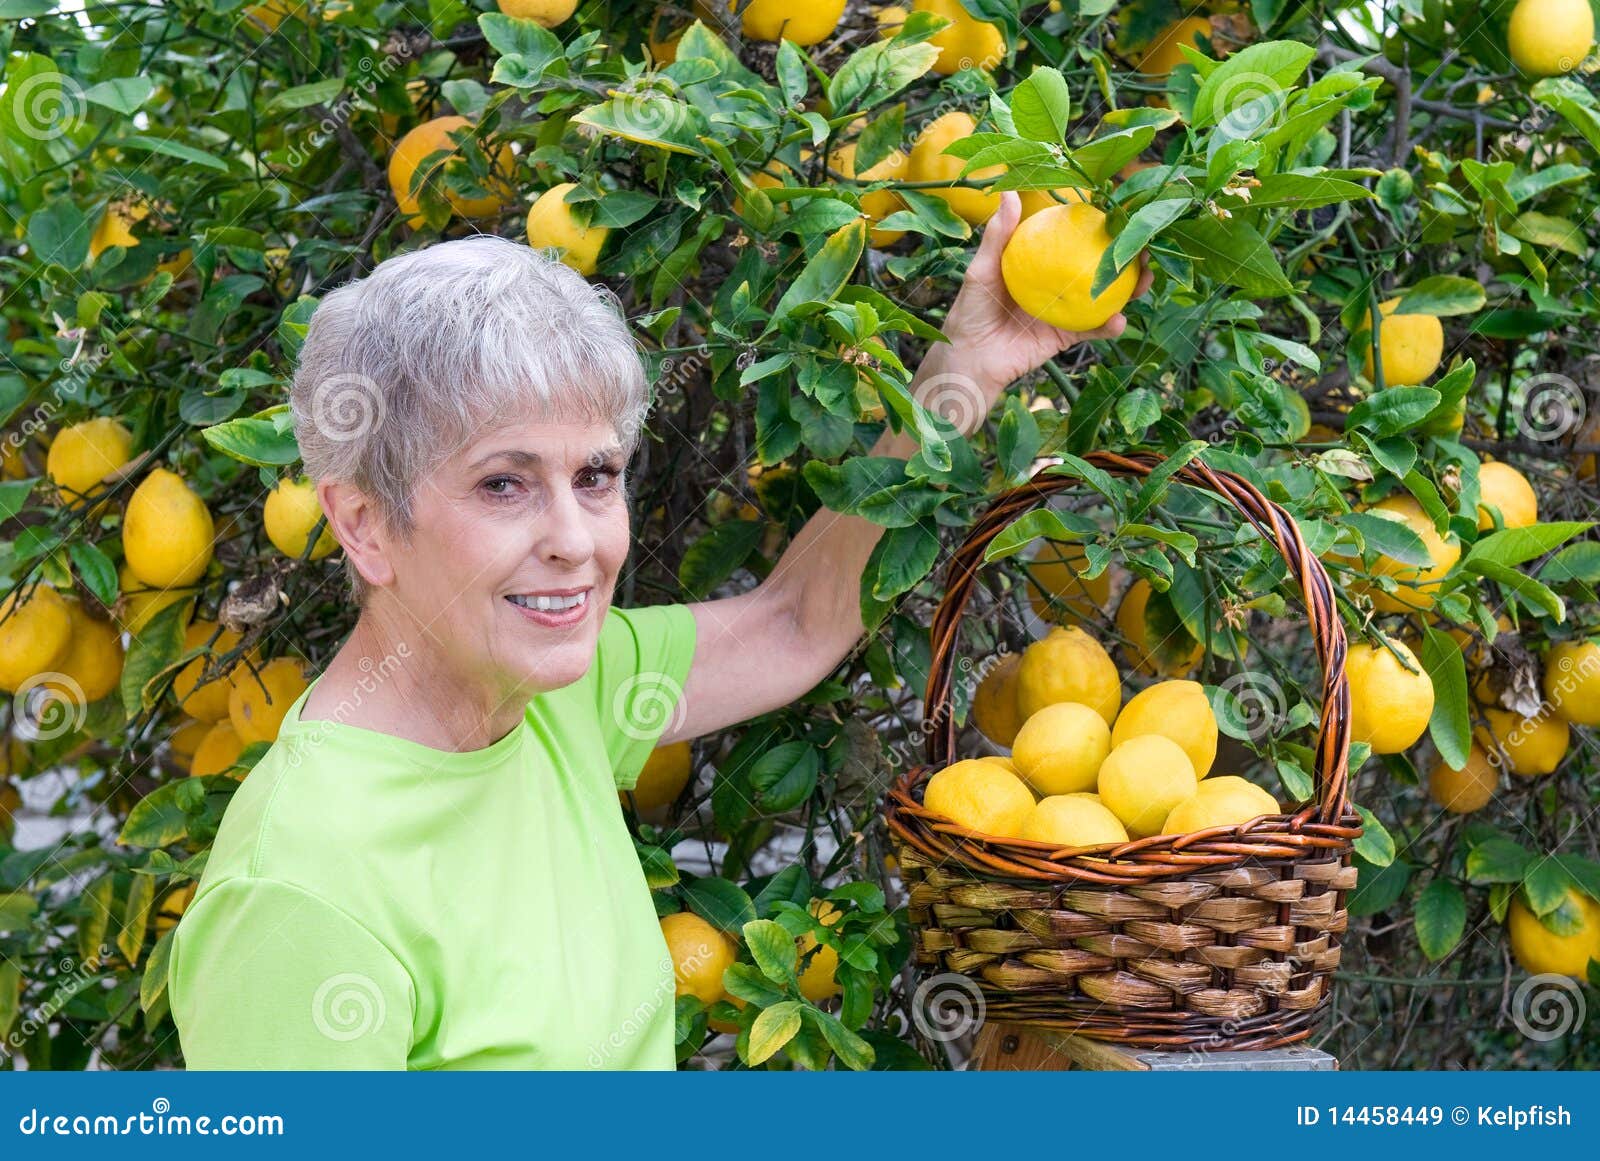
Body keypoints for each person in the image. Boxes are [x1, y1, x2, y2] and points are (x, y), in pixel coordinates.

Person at [167, 193, 1151, 1069]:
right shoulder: (300, 896)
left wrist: (964, 369)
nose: (574, 542)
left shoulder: (561, 693)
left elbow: (796, 621)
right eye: (503, 483)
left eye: (593, 477)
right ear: (365, 525)